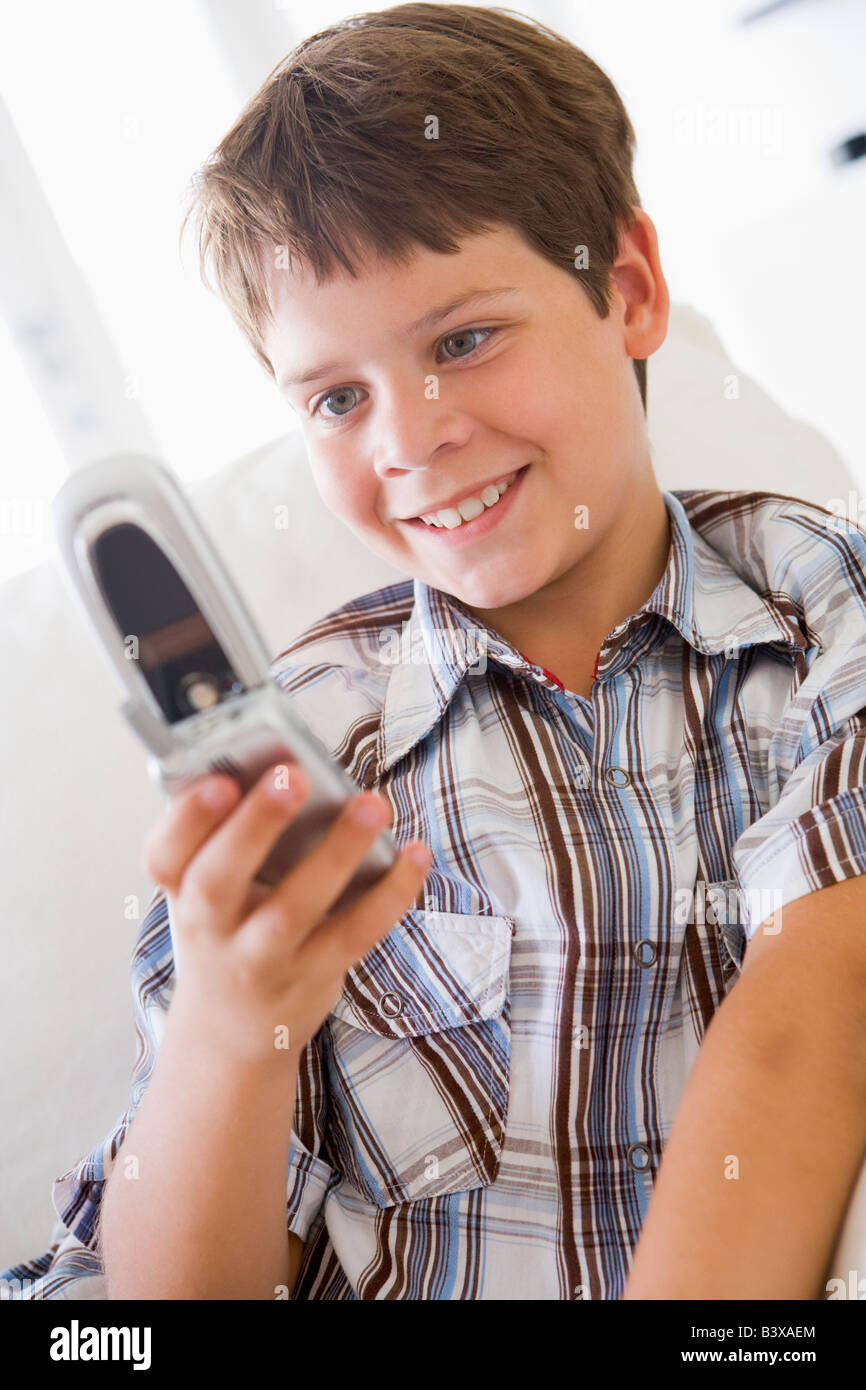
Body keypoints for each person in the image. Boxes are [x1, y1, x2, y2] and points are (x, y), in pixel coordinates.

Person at [4, 2, 866, 1301]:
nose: (409, 439)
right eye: (336, 397)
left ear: (629, 289)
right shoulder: (313, 745)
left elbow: (815, 1019)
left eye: (462, 340)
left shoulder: (819, 606)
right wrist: (231, 1029)